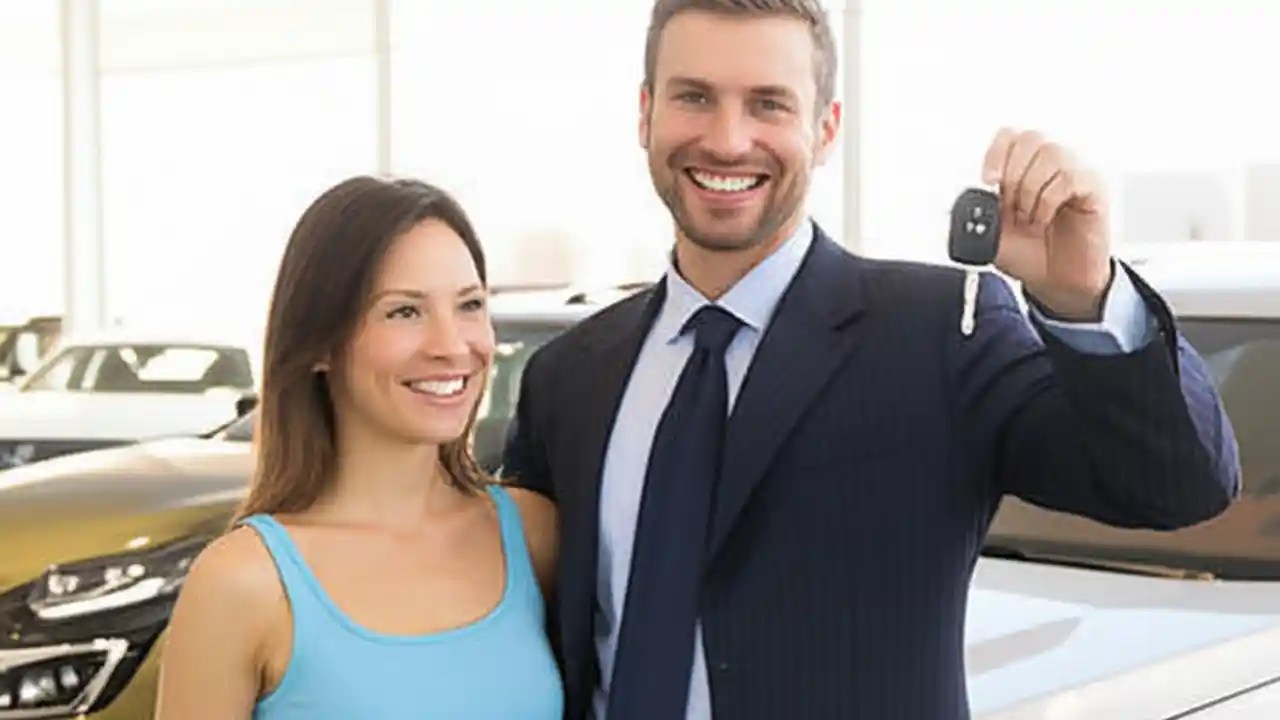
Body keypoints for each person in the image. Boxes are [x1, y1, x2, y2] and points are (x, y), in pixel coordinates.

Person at [500, 1, 1241, 718]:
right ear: (645, 114)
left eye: (769, 104)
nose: (728, 139)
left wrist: (1083, 293)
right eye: (694, 97)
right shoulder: (570, 374)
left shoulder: (942, 334)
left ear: (826, 130)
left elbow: (1177, 486)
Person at [155, 176, 563, 719]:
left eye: (469, 305)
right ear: (320, 343)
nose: (452, 346)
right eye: (404, 312)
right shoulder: (242, 584)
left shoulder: (536, 535)